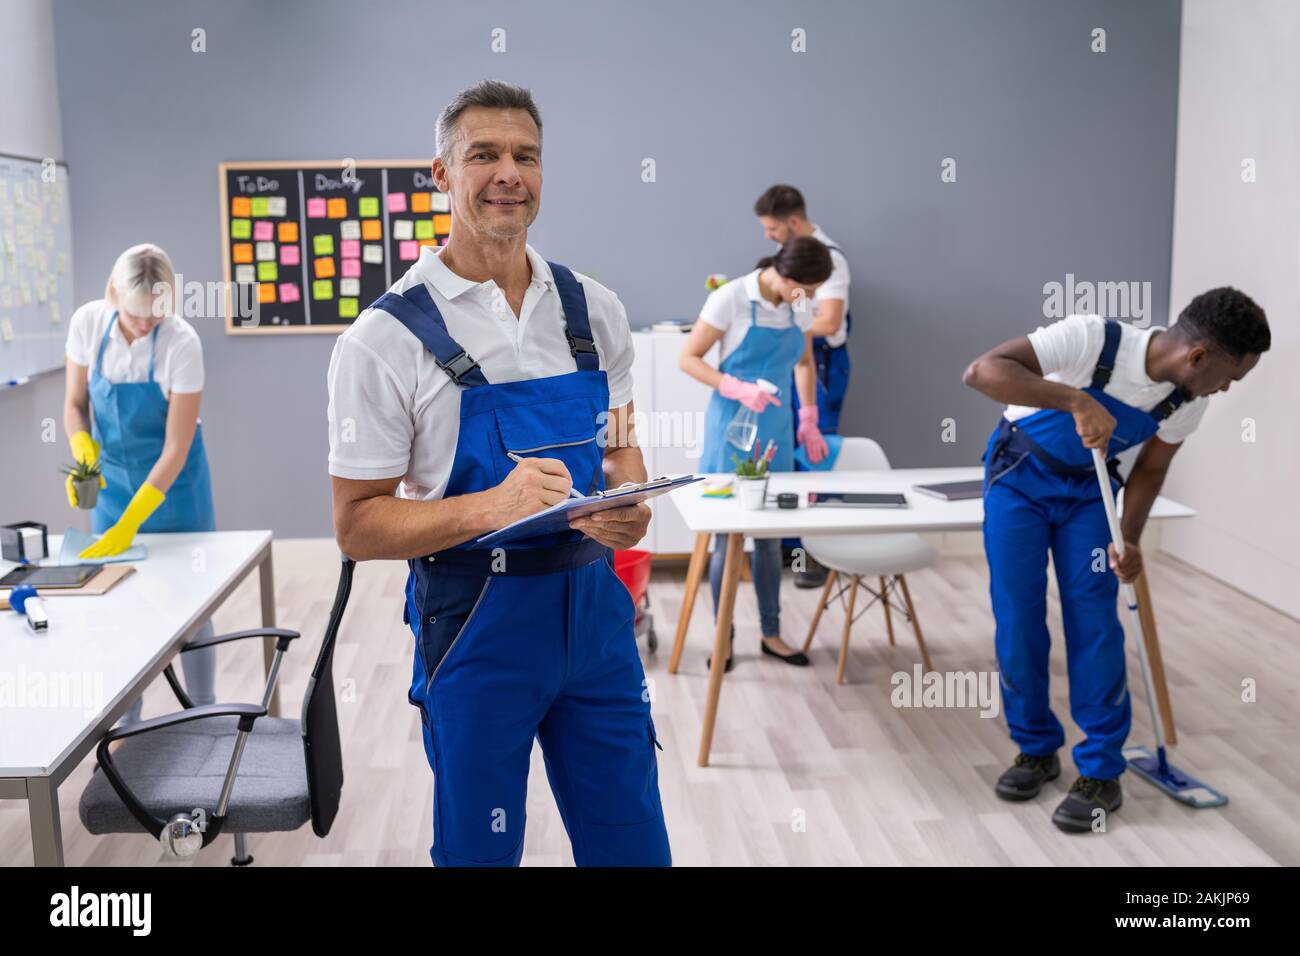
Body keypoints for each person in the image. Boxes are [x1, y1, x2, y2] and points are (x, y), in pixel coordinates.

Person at [326, 80, 670, 867]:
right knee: (481, 851)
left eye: (526, 156)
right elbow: (356, 526)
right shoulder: (384, 340)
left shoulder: (594, 310)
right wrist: (492, 507)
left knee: (634, 844)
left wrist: (628, 501)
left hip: (596, 614)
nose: (508, 173)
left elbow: (621, 446)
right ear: (442, 174)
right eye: (483, 154)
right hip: (476, 624)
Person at [963, 289, 1269, 832]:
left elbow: (1150, 470)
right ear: (1197, 357)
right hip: (1019, 480)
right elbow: (983, 372)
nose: (1223, 391)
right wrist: (1077, 401)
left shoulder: (1186, 404)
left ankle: (1101, 771)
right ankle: (1035, 749)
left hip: (1091, 495)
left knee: (1096, 623)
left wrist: (1127, 540)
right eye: (1228, 378)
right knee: (1019, 618)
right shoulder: (1092, 338)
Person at [63, 243, 218, 724]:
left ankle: (203, 712)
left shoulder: (182, 343)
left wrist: (135, 520)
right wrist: (81, 449)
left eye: (156, 314)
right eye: (136, 316)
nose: (147, 324)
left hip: (176, 492)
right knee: (118, 603)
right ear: (113, 292)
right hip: (111, 490)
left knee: (193, 603)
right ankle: (128, 725)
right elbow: (73, 404)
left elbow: (175, 448)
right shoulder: (88, 324)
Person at [679, 237, 832, 671]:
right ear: (784, 277)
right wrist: (734, 386)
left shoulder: (798, 302)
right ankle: (722, 637)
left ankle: (771, 633)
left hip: (777, 429)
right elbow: (688, 358)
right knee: (726, 542)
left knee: (769, 539)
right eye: (807, 288)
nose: (812, 298)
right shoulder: (729, 298)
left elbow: (802, 363)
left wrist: (809, 418)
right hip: (732, 427)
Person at [754, 185, 853, 588]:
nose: (768, 236)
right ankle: (789, 547)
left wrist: (791, 329)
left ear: (794, 222)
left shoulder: (829, 260)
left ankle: (818, 554)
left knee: (817, 454)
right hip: (795, 359)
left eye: (773, 228)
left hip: (822, 362)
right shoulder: (789, 262)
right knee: (786, 451)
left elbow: (828, 322)